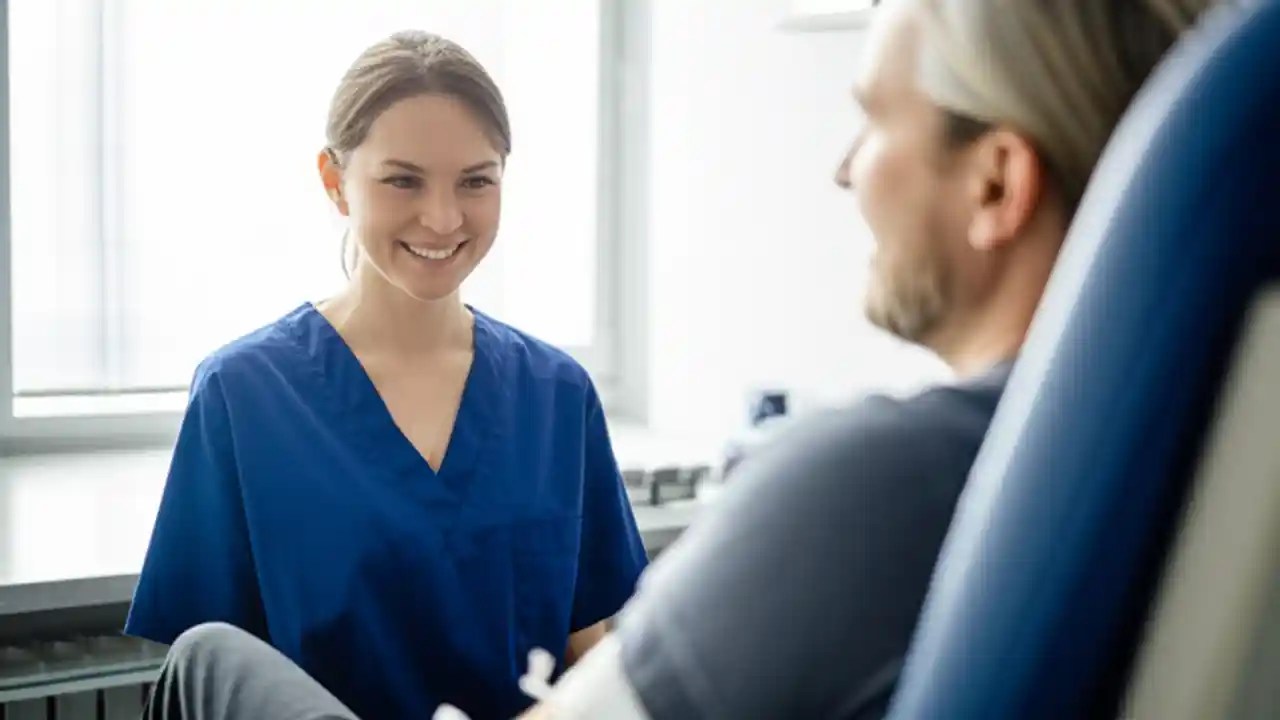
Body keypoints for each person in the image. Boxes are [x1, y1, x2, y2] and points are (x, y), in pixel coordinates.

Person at [134, 0, 1222, 718]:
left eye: (871, 119)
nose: (843, 170)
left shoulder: (853, 484)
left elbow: (609, 647)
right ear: (337, 181)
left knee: (201, 665)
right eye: (401, 181)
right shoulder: (1195, 479)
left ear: (992, 180)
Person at [123, 30, 648, 720]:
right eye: (403, 180)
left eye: (476, 181)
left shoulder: (557, 396)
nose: (442, 217)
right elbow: (219, 676)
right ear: (335, 181)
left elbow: (593, 654)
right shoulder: (245, 396)